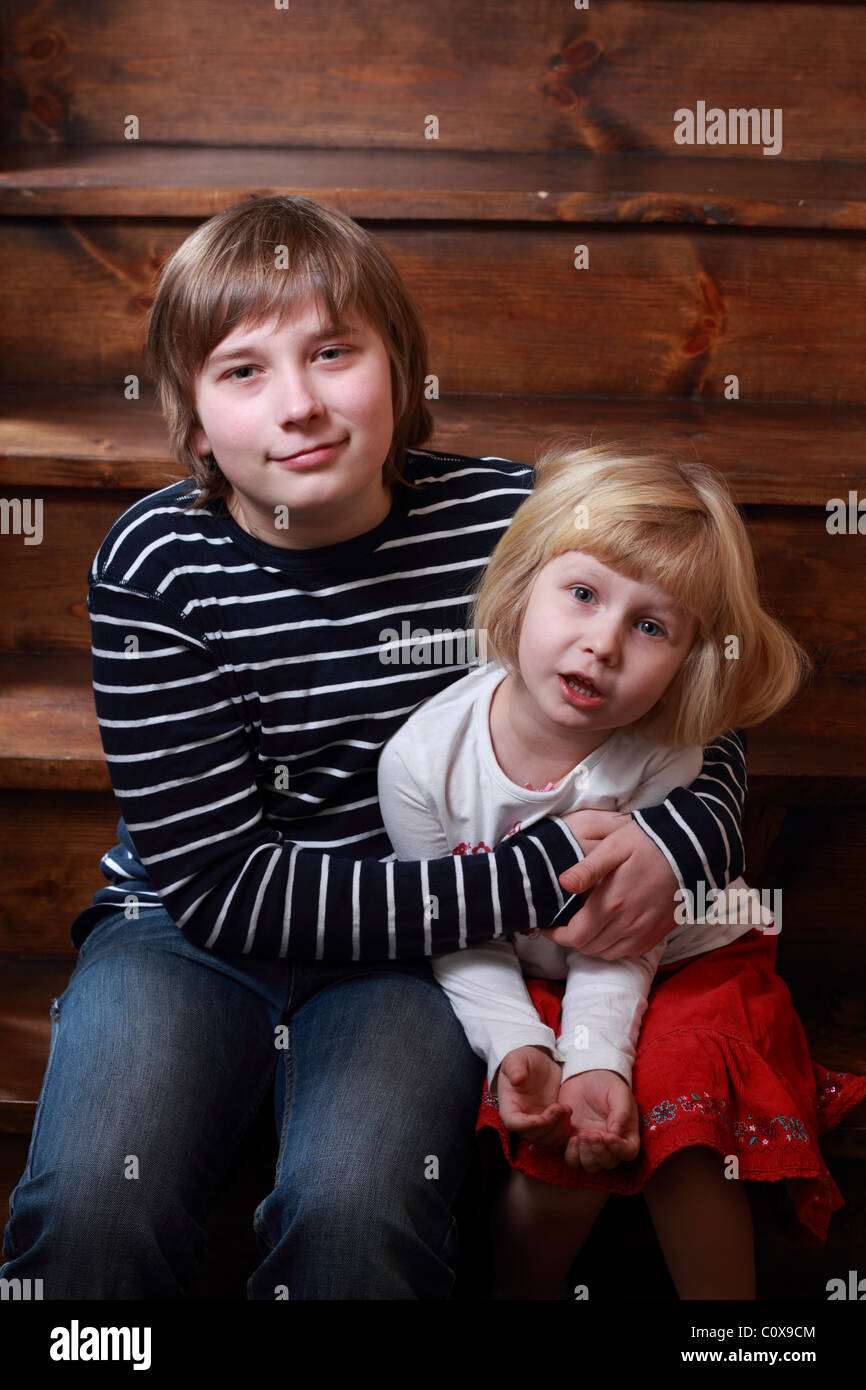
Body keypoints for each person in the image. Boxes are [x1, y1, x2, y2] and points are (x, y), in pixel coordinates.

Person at [2, 196, 749, 1300]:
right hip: (185, 933)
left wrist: (672, 847)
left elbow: (697, 700)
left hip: (421, 959)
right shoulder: (158, 560)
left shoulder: (518, 522)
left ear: (399, 368)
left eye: (333, 352)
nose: (298, 405)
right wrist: (544, 872)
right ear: (197, 423)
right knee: (90, 1208)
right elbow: (220, 888)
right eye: (242, 371)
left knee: (359, 1214)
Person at [378, 441, 866, 1300]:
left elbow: (629, 935)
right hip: (527, 973)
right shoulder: (421, 762)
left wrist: (599, 1052)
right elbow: (452, 931)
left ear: (687, 660)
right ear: (523, 582)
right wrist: (521, 1044)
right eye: (581, 594)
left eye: (651, 626)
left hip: (684, 959)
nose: (602, 644)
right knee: (566, 1140)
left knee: (682, 1137)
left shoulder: (662, 759)